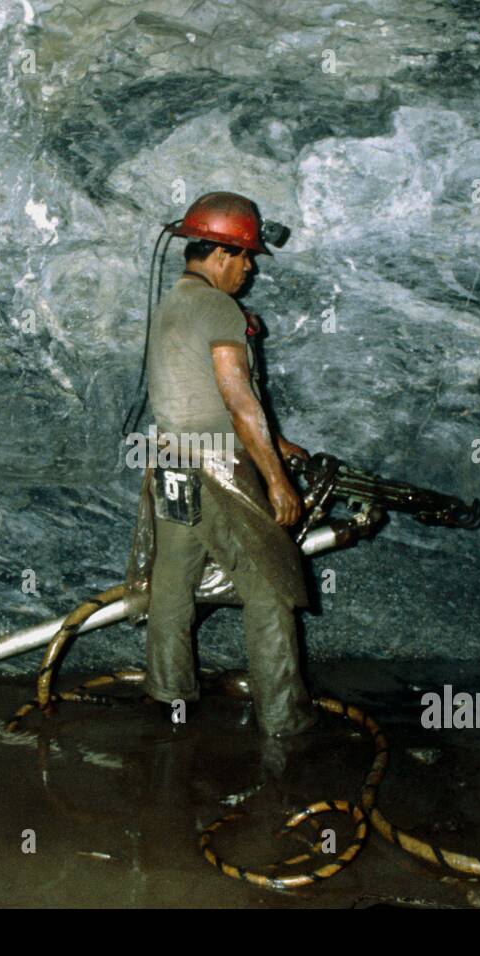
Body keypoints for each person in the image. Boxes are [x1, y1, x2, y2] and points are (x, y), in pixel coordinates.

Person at [138, 191, 316, 738]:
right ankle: (284, 723)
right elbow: (239, 400)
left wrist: (276, 443)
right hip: (218, 468)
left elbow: (197, 392)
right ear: (219, 255)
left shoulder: (172, 302)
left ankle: (169, 701)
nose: (250, 269)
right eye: (246, 257)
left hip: (169, 461)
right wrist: (277, 479)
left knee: (172, 585)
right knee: (271, 591)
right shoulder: (219, 308)